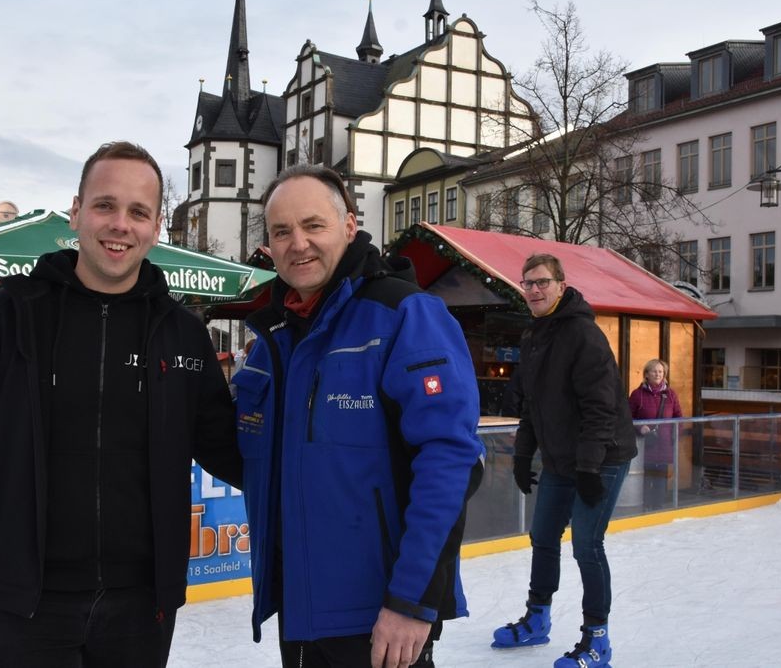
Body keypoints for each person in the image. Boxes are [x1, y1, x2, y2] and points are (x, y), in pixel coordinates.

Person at [0, 141, 241, 667]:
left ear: (156, 226)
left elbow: (228, 449)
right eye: (105, 206)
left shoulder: (183, 333)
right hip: (27, 605)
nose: (121, 224)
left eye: (138, 212)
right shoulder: (11, 316)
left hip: (142, 609)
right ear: (76, 212)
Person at [231, 165, 484, 668]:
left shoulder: (403, 314)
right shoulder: (273, 339)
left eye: (313, 225)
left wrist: (412, 600)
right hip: (299, 609)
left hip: (379, 617)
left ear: (349, 225)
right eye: (281, 231)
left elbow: (450, 462)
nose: (297, 243)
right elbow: (252, 454)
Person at [492, 254, 637, 668]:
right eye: (527, 283)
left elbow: (600, 407)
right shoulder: (534, 336)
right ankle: (537, 619)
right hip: (561, 458)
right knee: (543, 536)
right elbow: (532, 404)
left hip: (602, 455)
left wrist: (590, 466)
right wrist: (523, 456)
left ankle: (598, 641)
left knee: (587, 545)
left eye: (541, 282)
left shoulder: (583, 334)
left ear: (560, 284)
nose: (534, 290)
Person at [628, 358, 684, 510]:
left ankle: (658, 508)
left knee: (660, 480)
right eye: (654, 371)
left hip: (664, 445)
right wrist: (640, 428)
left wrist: (674, 437)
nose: (658, 374)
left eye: (661, 371)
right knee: (645, 479)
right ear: (646, 374)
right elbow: (626, 417)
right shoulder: (637, 394)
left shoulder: (671, 394)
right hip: (644, 446)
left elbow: (679, 417)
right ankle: (644, 507)